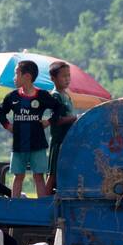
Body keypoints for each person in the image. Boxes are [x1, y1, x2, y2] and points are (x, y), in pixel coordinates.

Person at [0, 60, 56, 198]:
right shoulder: (12, 97)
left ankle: (41, 208)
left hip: (38, 144)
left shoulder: (43, 96)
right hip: (19, 145)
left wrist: (49, 121)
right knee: (18, 176)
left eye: (16, 74)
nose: (14, 78)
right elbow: (0, 111)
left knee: (38, 176)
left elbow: (58, 109)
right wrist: (7, 125)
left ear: (27, 76)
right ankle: (14, 206)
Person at [44, 61, 77, 194]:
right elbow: (56, 120)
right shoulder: (55, 96)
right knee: (52, 174)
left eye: (69, 75)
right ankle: (41, 204)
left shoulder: (67, 96)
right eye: (63, 76)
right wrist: (76, 118)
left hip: (68, 141)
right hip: (58, 142)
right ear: (53, 78)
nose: (67, 79)